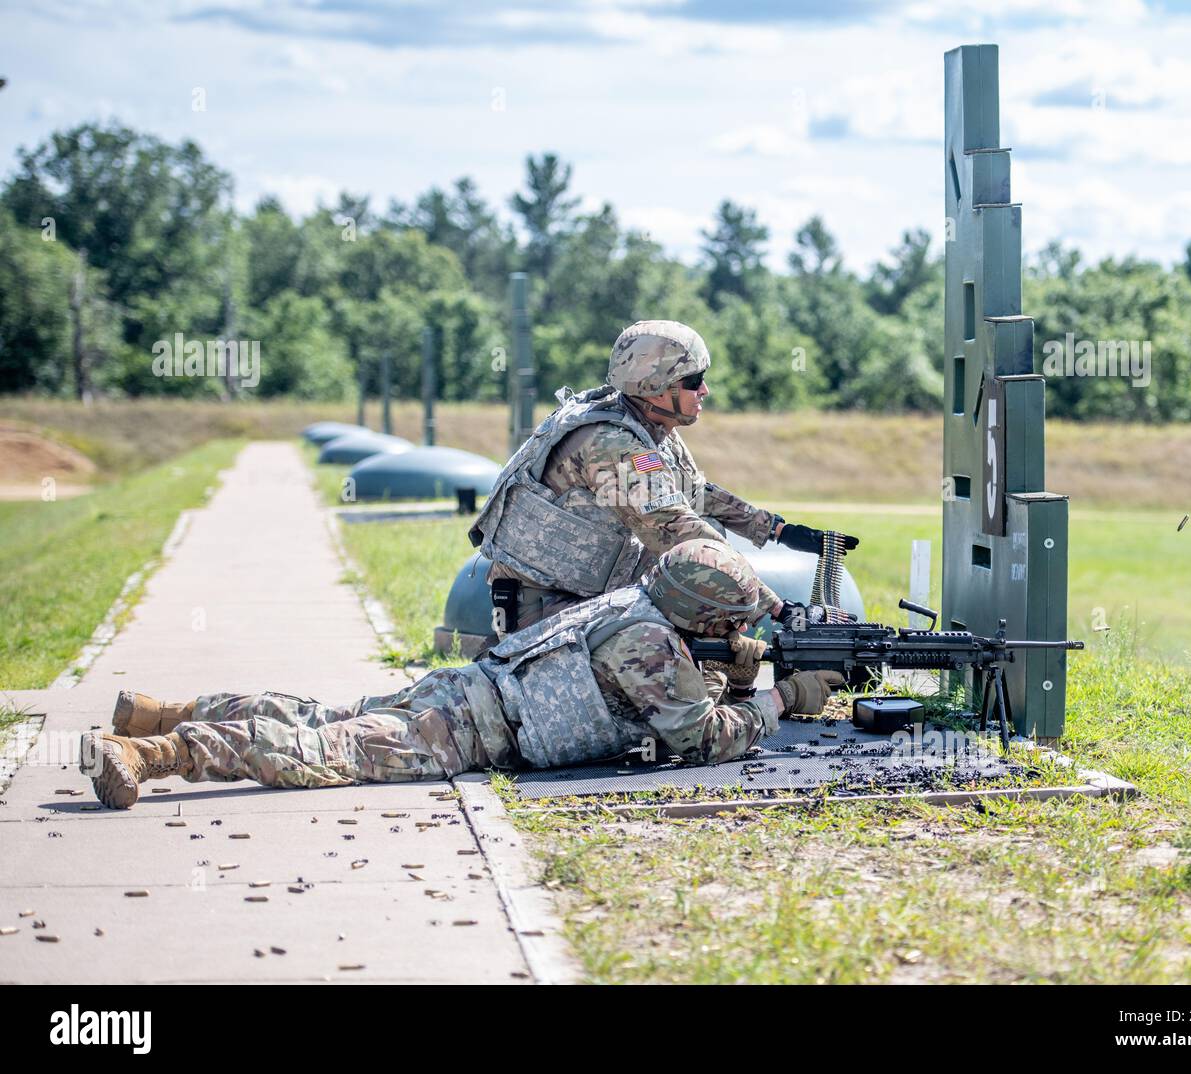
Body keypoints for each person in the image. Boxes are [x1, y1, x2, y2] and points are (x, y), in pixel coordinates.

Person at [81, 540, 845, 809]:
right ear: (700, 618)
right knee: (329, 751)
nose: (736, 633)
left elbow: (679, 705)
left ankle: (162, 709)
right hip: (467, 730)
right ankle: (158, 755)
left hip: (463, 690)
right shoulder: (657, 648)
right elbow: (698, 742)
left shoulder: (633, 604)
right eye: (728, 624)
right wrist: (780, 696)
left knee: (322, 714)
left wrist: (740, 678)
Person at [469, 319, 858, 634]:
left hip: (586, 595)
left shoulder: (650, 428)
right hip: (546, 609)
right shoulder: (611, 445)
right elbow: (676, 529)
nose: (704, 390)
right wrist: (779, 608)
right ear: (654, 388)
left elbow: (694, 493)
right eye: (692, 381)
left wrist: (778, 531)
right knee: (671, 663)